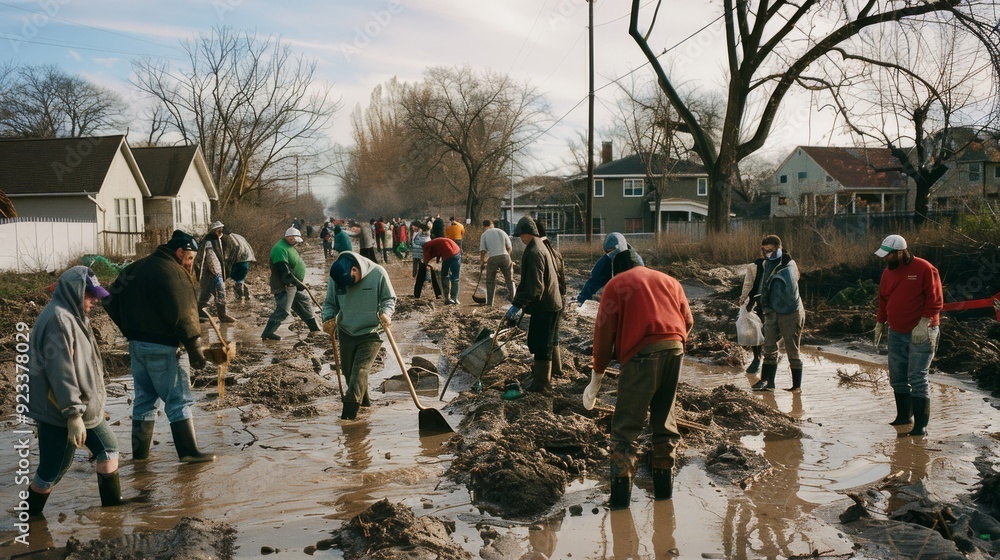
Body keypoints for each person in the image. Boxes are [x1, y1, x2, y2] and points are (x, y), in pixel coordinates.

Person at [589, 248, 693, 508]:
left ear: (618, 270)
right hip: (675, 348)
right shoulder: (670, 281)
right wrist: (673, 344)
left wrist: (598, 372)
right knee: (664, 422)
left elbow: (603, 333)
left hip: (641, 355)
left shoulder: (616, 285)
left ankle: (621, 503)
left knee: (625, 428)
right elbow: (688, 321)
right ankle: (664, 496)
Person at [24, 266, 128, 516]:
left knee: (108, 449)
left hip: (82, 408)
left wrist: (94, 405)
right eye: (90, 294)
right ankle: (28, 519)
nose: (94, 300)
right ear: (74, 291)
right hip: (61, 411)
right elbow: (61, 373)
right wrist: (73, 415)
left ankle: (112, 513)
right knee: (51, 471)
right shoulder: (59, 320)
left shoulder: (73, 314)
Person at [104, 230, 215, 463]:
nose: (190, 264)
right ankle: (188, 453)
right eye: (190, 259)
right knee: (179, 400)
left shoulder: (133, 269)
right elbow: (185, 315)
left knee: (144, 400)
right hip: (165, 347)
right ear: (180, 252)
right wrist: (195, 348)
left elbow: (109, 299)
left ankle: (140, 457)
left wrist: (129, 330)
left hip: (136, 345)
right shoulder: (174, 273)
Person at [874, 234, 943, 437]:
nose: (886, 259)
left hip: (921, 330)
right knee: (898, 375)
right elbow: (883, 299)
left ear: (901, 252)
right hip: (896, 331)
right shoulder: (887, 273)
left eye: (889, 256)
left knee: (917, 376)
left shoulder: (924, 268)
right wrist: (880, 322)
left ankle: (921, 426)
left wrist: (925, 322)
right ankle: (904, 417)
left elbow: (936, 298)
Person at [322, 252, 396, 420]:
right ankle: (365, 409)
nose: (348, 287)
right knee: (349, 374)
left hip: (371, 332)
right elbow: (330, 302)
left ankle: (348, 418)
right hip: (346, 330)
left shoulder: (378, 273)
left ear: (355, 270)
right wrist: (327, 318)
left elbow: (389, 299)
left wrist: (386, 313)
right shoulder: (337, 277)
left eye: (351, 281)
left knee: (360, 371)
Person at [504, 216, 563, 392]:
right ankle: (550, 374)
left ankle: (542, 384)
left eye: (521, 236)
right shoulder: (538, 246)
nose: (520, 239)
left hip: (546, 305)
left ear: (528, 234)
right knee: (546, 341)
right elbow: (528, 283)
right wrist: (517, 302)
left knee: (542, 344)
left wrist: (518, 305)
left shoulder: (535, 251)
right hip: (548, 303)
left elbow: (535, 286)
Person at [751, 235, 806, 392]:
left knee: (792, 348)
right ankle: (768, 382)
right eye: (764, 250)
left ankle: (796, 387)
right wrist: (764, 307)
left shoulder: (788, 264)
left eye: (770, 250)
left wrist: (776, 306)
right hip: (772, 311)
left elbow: (791, 291)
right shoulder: (768, 263)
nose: (767, 253)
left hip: (790, 312)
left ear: (778, 248)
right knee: (768, 345)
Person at [261, 227, 322, 341]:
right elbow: (284, 272)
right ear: (289, 238)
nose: (296, 243)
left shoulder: (288, 246)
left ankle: (315, 329)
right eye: (295, 240)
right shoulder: (280, 249)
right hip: (285, 284)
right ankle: (268, 333)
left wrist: (297, 283)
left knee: (304, 304)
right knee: (283, 310)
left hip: (293, 284)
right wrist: (296, 283)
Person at [536, 219, 569, 378]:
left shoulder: (540, 250)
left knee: (547, 337)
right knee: (553, 334)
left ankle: (547, 374)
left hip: (550, 299)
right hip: (561, 297)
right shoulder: (554, 250)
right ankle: (557, 368)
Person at [576, 232, 643, 306]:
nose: (609, 253)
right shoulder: (606, 261)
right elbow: (593, 282)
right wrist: (582, 299)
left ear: (618, 247)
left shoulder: (636, 260)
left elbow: (642, 281)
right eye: (607, 252)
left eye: (611, 250)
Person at [195, 221, 235, 323]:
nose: (221, 231)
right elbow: (211, 259)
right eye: (220, 229)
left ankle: (200, 313)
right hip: (212, 273)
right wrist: (217, 273)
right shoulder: (210, 242)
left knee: (206, 293)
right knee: (219, 293)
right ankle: (222, 315)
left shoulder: (217, 241)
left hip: (210, 272)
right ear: (216, 231)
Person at [738, 248, 766, 373]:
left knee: (763, 330)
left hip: (771, 301)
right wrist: (743, 298)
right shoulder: (753, 267)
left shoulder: (779, 266)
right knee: (755, 330)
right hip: (757, 301)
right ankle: (757, 358)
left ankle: (762, 358)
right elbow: (748, 284)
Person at [479, 219, 515, 307]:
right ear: (492, 224)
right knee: (509, 279)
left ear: (484, 226)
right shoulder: (501, 231)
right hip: (505, 256)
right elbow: (509, 247)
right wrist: (507, 256)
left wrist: (482, 262)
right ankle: (514, 299)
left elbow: (483, 251)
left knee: (490, 281)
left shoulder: (484, 235)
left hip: (493, 258)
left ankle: (490, 302)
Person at [422, 235, 462, 304]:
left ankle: (447, 297)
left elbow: (426, 259)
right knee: (455, 277)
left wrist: (424, 268)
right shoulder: (435, 242)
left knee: (444, 275)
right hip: (457, 251)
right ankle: (454, 298)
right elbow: (439, 252)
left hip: (449, 253)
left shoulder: (426, 246)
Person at [410, 221, 442, 298]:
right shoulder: (428, 236)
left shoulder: (419, 237)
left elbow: (415, 243)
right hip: (428, 258)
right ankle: (438, 294)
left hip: (426, 258)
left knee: (421, 276)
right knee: (433, 277)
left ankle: (417, 294)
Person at [222, 230, 256, 301]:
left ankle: (239, 297)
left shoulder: (230, 238)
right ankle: (246, 296)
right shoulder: (236, 236)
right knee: (241, 278)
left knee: (237, 278)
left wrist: (230, 260)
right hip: (245, 259)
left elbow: (236, 248)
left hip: (240, 260)